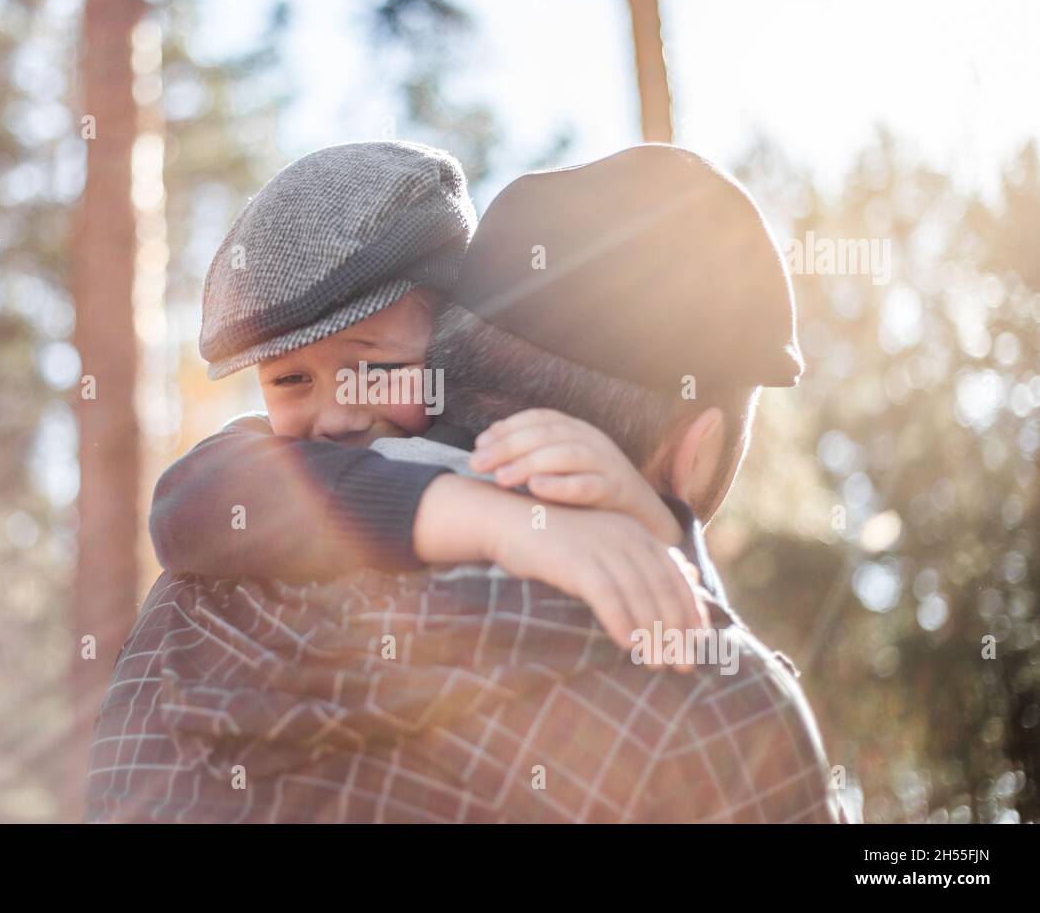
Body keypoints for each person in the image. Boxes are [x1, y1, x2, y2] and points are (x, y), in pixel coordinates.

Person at [86, 142, 845, 823]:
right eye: (290, 381)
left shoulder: (191, 605)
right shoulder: (714, 706)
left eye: (373, 366)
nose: (337, 417)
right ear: (699, 451)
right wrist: (527, 524)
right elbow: (193, 493)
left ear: (450, 340)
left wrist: (651, 537)